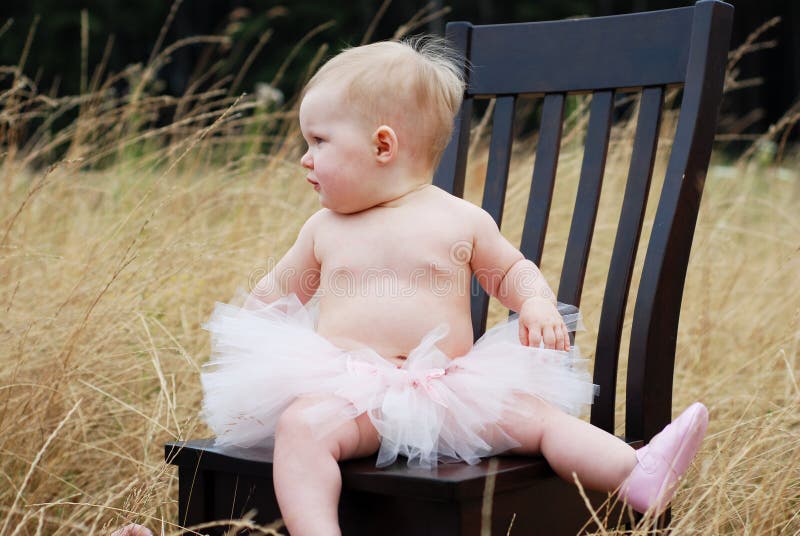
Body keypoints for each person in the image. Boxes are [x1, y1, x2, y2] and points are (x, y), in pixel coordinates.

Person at [198, 36, 708, 536]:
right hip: (351, 396)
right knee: (301, 428)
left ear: (382, 145)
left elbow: (511, 270)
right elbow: (272, 297)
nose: (305, 159)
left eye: (319, 142)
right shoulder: (323, 230)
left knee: (541, 420)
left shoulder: (460, 219)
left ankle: (636, 473)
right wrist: (253, 362)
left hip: (451, 393)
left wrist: (534, 301)